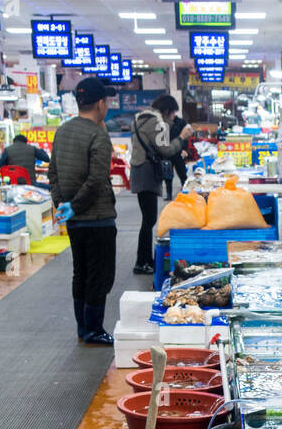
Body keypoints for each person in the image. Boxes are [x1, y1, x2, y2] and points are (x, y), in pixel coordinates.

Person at [48, 75, 118, 346]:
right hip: (97, 217)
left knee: (81, 271)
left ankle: (83, 328)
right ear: (101, 103)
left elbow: (53, 172)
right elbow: (97, 179)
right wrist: (76, 206)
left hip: (74, 221)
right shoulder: (98, 135)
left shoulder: (62, 131)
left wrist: (64, 206)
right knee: (100, 275)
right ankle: (93, 329)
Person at [129, 93, 193, 275]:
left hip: (140, 171)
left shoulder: (142, 119)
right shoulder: (157, 123)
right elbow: (166, 150)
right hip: (147, 173)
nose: (173, 117)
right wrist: (181, 137)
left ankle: (144, 260)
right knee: (148, 219)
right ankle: (142, 262)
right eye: (173, 114)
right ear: (167, 111)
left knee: (147, 219)